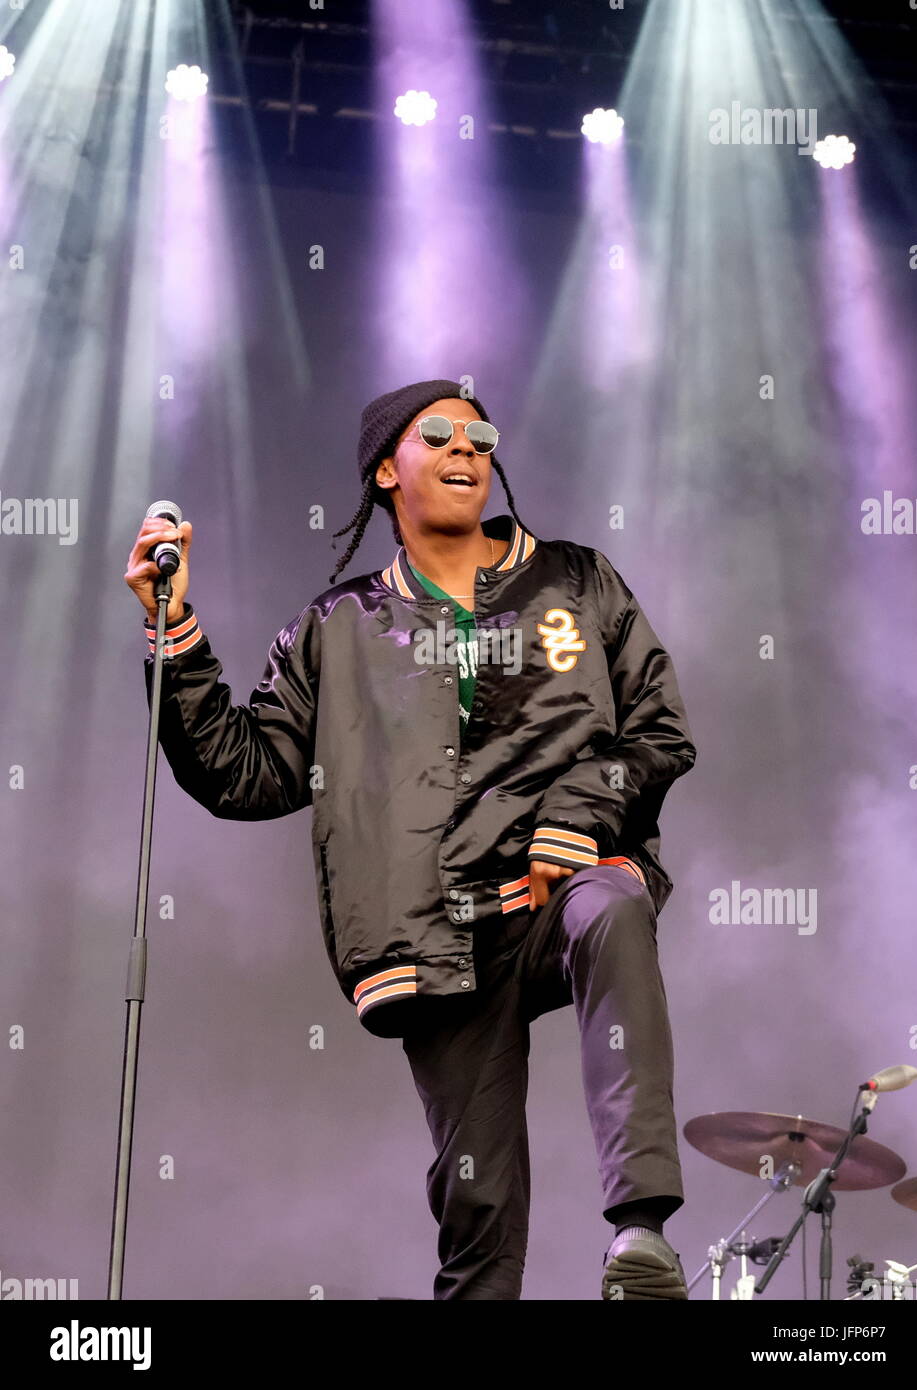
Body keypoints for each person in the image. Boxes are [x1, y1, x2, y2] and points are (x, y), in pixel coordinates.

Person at [125, 378, 697, 1301]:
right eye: (440, 436)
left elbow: (660, 730)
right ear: (388, 469)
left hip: (559, 896)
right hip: (437, 939)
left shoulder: (578, 581)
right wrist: (174, 633)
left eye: (482, 436)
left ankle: (641, 1235)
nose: (469, 448)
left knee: (614, 904)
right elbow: (244, 771)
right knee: (477, 1217)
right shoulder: (337, 628)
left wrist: (576, 813)